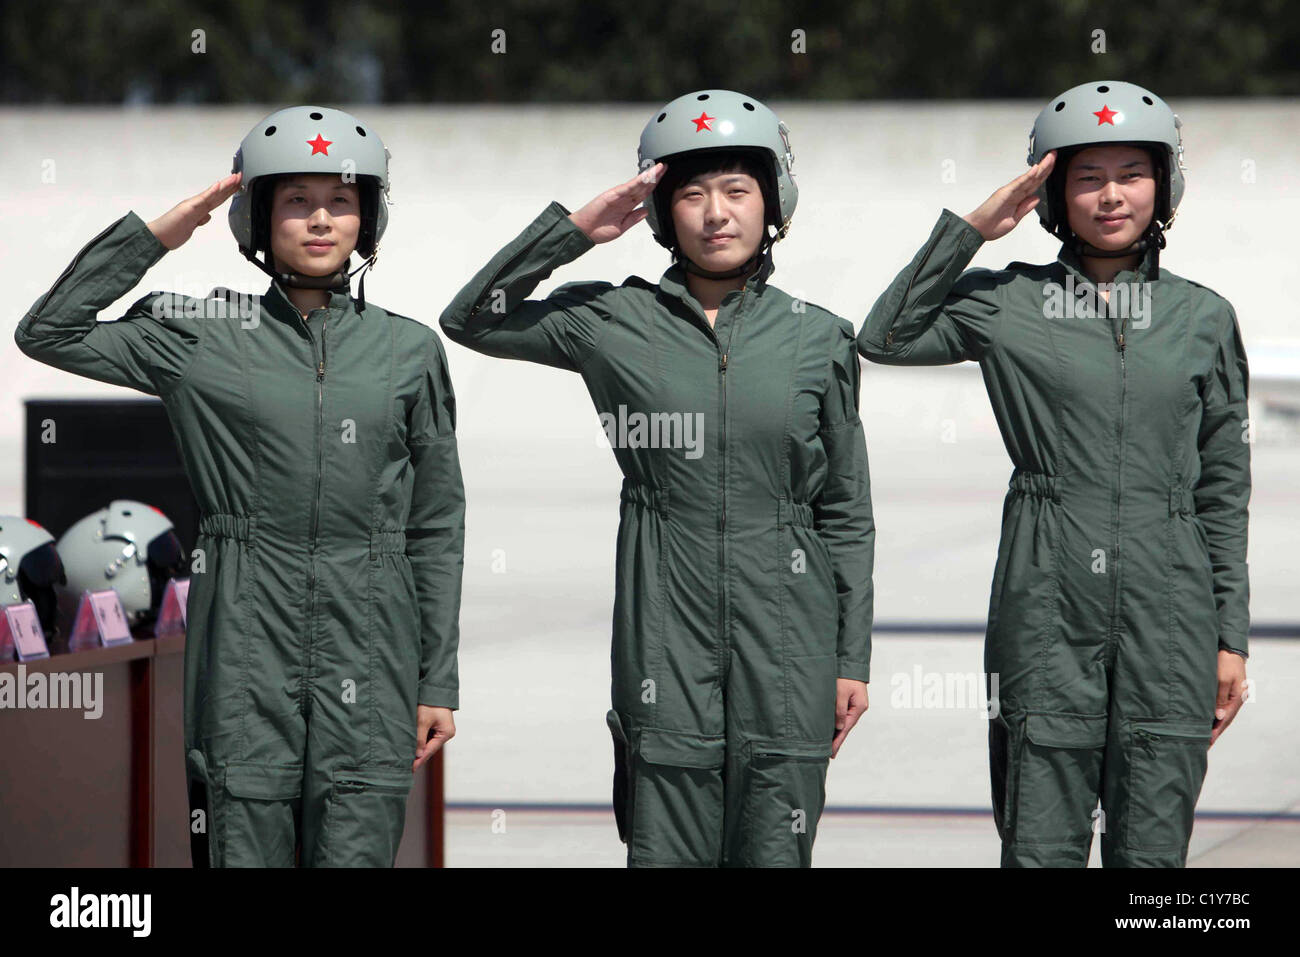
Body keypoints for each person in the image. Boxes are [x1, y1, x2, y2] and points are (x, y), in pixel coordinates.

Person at [14, 106, 466, 867]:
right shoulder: (198, 334)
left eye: (342, 200)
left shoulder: (409, 351)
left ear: (370, 217)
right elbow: (49, 330)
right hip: (246, 639)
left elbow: (437, 522)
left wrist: (437, 678)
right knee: (242, 835)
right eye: (295, 200)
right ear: (256, 215)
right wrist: (161, 234)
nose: (321, 219)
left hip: (375, 641)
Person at [441, 89, 875, 867]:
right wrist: (573, 233)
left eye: (738, 190)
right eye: (691, 194)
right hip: (662, 625)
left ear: (772, 202)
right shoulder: (610, 320)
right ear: (660, 211)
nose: (716, 213)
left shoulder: (820, 338)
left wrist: (851, 658)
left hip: (792, 635)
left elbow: (845, 507)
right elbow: (471, 316)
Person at [857, 80, 1250, 866]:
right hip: (1044, 603)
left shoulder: (1204, 318)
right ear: (1051, 193)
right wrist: (972, 230)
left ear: (1163, 186)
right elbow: (884, 335)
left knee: (1152, 858)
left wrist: (1229, 633)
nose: (1111, 196)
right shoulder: (1007, 302)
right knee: (1039, 843)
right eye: (1086, 177)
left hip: (1170, 614)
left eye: (1132, 173)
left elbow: (1222, 486)